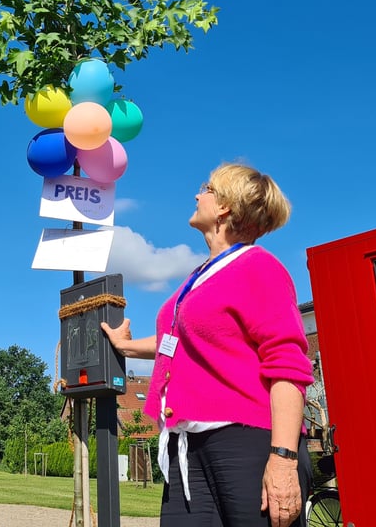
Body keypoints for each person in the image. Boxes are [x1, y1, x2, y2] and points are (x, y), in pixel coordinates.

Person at [102, 163, 313, 527]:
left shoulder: (259, 267)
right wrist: (128, 347)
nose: (198, 194)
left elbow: (288, 364)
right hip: (189, 442)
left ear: (226, 207)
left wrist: (282, 458)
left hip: (246, 441)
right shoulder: (199, 276)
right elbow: (178, 340)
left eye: (207, 188)